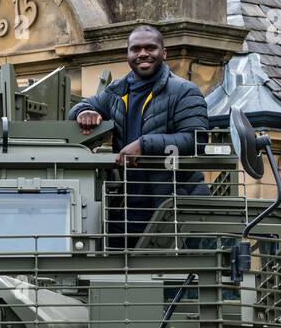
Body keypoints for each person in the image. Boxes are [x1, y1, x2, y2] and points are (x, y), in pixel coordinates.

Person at [68, 24, 209, 246]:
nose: (143, 53)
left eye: (150, 48)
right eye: (136, 49)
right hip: (125, 209)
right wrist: (83, 112)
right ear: (128, 55)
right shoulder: (116, 92)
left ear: (163, 53)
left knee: (175, 278)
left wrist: (144, 144)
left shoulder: (185, 91)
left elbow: (195, 140)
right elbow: (80, 106)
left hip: (174, 207)